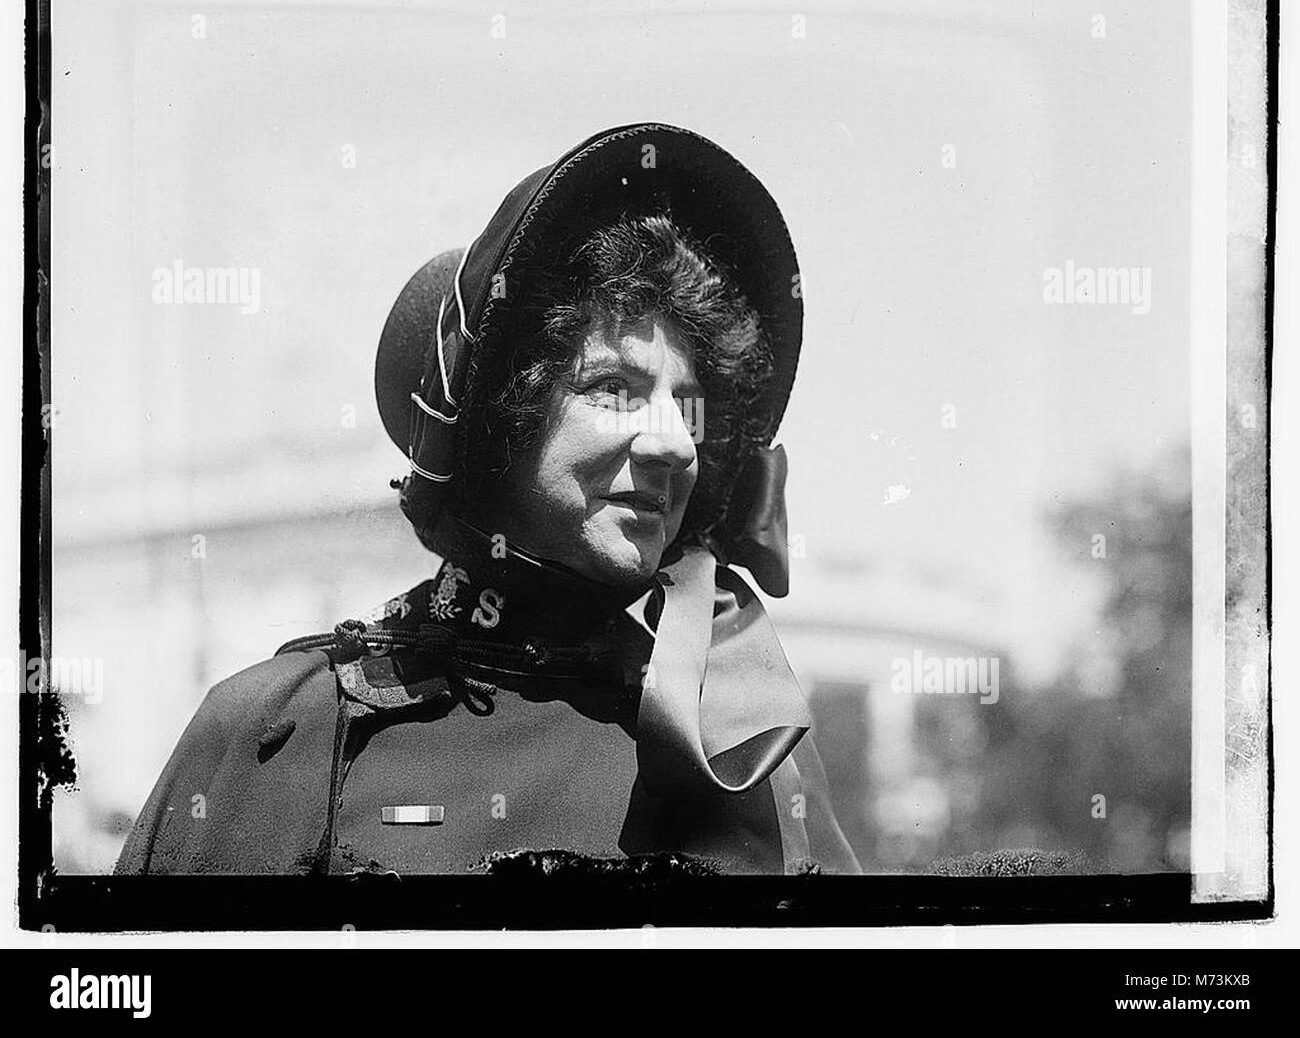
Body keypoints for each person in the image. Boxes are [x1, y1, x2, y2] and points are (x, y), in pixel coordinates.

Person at [115, 122, 861, 876]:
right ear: (508, 416)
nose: (675, 445)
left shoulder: (746, 742)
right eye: (613, 388)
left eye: (690, 407)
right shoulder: (283, 734)